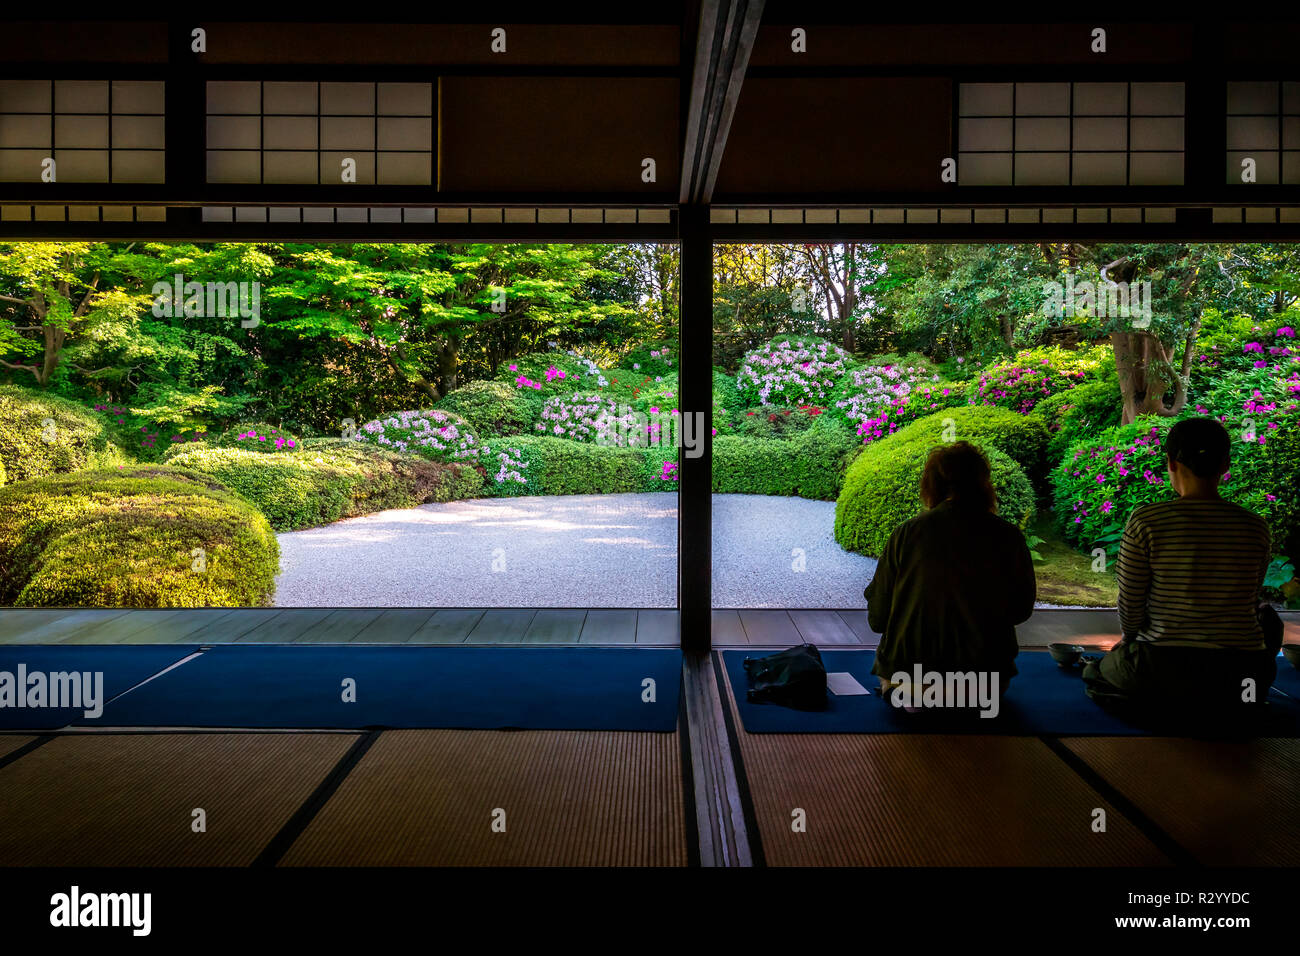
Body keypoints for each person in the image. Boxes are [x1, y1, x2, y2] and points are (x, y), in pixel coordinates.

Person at [1081, 417, 1281, 716]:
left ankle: (1163, 704)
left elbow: (1131, 602)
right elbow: (1249, 599)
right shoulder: (1255, 527)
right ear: (1225, 464)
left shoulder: (1148, 521)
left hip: (1162, 667)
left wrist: (1130, 640)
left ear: (1171, 463)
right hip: (1242, 673)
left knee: (1096, 673)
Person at [865, 441, 1036, 705]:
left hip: (909, 685)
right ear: (983, 484)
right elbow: (1020, 610)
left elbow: (877, 618)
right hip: (984, 687)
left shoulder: (907, 533)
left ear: (931, 484)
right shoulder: (1007, 536)